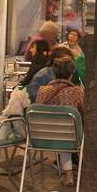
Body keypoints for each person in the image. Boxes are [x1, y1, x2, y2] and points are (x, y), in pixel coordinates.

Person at [35, 55, 85, 185]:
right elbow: (85, 112)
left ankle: (67, 174)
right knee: (67, 129)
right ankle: (73, 173)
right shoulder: (76, 92)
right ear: (71, 73)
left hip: (42, 137)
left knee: (62, 128)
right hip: (69, 137)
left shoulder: (42, 91)